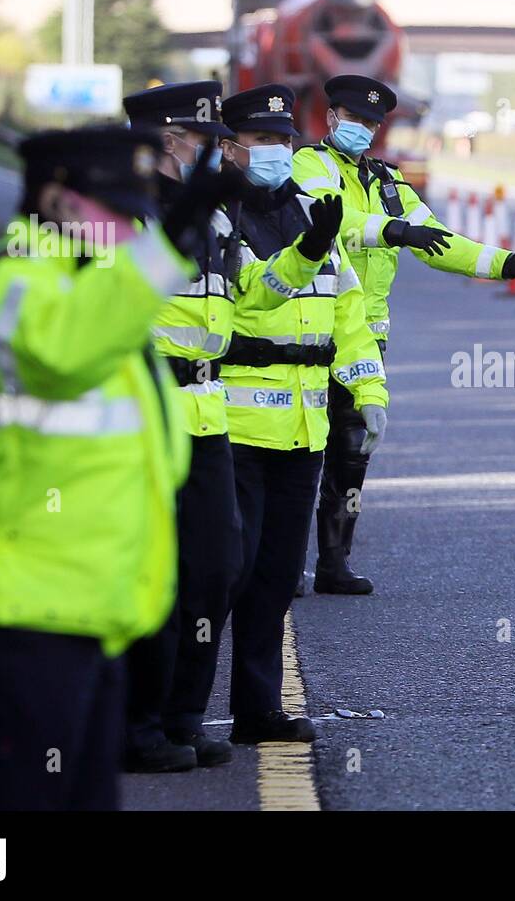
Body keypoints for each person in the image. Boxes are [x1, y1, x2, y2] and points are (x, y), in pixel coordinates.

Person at [0, 126, 197, 809]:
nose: (132, 225)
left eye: (142, 211)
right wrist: (167, 248)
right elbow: (65, 352)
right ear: (60, 201)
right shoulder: (16, 280)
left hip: (81, 613)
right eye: (118, 208)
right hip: (23, 615)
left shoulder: (86, 288)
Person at [119, 81, 341, 770]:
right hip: (147, 412)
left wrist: (306, 254)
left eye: (219, 144)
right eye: (204, 143)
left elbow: (253, 294)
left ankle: (185, 717)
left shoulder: (212, 219)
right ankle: (140, 724)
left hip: (207, 412)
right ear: (163, 144)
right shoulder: (124, 221)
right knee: (159, 576)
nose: (216, 155)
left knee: (215, 572)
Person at [293, 74, 515, 595]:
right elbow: (328, 219)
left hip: (366, 341)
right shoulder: (310, 165)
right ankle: (280, 563)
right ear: (331, 119)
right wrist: (391, 229)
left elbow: (439, 241)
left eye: (371, 122)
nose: (362, 128)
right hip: (308, 331)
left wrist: (505, 264)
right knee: (299, 451)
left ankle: (333, 562)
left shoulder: (389, 183)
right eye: (353, 118)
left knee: (352, 455)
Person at [214, 83, 389, 744]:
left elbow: (349, 314)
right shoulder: (215, 217)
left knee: (276, 579)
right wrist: (307, 251)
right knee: (219, 576)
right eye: (261, 141)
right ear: (229, 146)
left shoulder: (312, 210)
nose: (275, 153)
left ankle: (257, 710)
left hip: (302, 428)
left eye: (284, 141)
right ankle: (171, 714)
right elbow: (255, 298)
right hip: (230, 425)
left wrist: (369, 391)